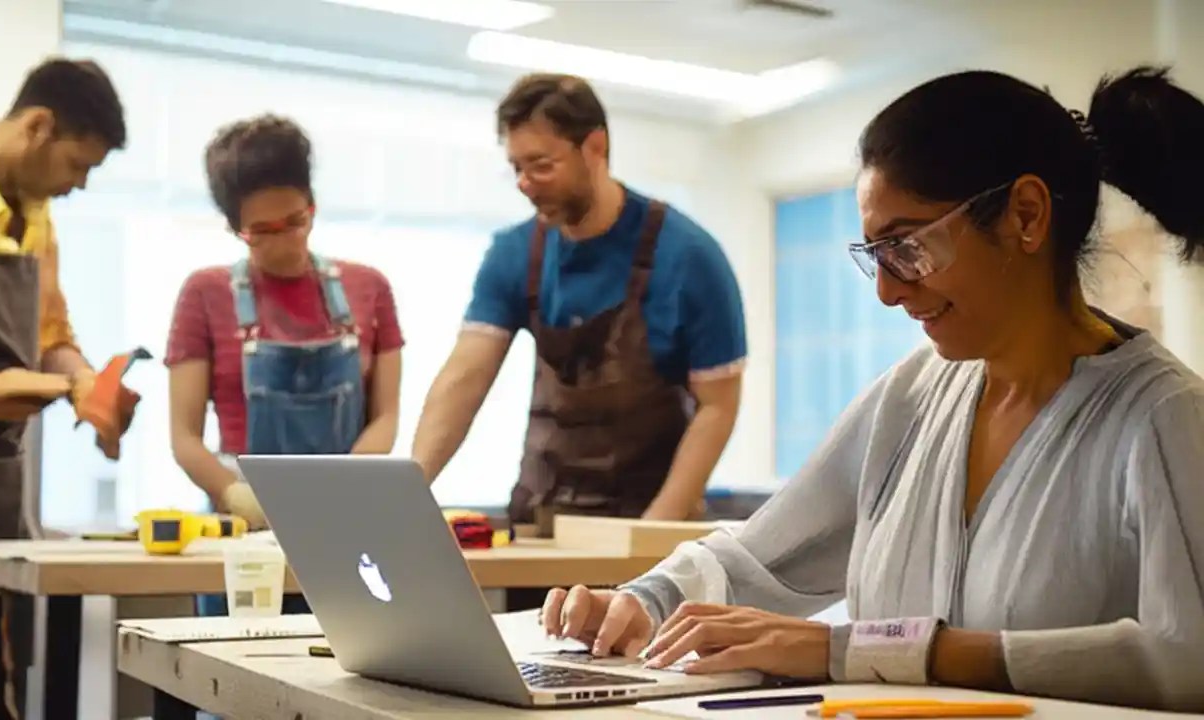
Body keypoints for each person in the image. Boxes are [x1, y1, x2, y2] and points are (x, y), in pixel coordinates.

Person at [540, 66, 1204, 712]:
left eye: (907, 246)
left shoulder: (1164, 420)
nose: (888, 291)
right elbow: (766, 560)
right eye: (875, 257)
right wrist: (642, 601)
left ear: (1024, 216)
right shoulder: (912, 396)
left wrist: (870, 649)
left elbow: (1185, 661)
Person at [411, 74, 747, 532]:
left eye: (541, 165)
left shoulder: (688, 256)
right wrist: (407, 493)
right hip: (544, 515)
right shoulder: (513, 254)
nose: (525, 184)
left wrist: (652, 536)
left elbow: (718, 408)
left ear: (595, 147)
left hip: (648, 515)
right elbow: (464, 378)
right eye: (516, 168)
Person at [0, 58, 135, 719]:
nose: (79, 185)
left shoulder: (37, 216)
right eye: (80, 164)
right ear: (39, 126)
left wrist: (90, 385)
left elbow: (51, 332)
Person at [165, 115, 404, 614]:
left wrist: (338, 492)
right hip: (246, 541)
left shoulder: (370, 289)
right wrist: (234, 495)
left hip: (344, 534)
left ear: (312, 206)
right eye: (262, 232)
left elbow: (385, 417)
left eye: (296, 221)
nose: (285, 242)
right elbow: (184, 437)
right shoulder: (204, 294)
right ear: (235, 228)